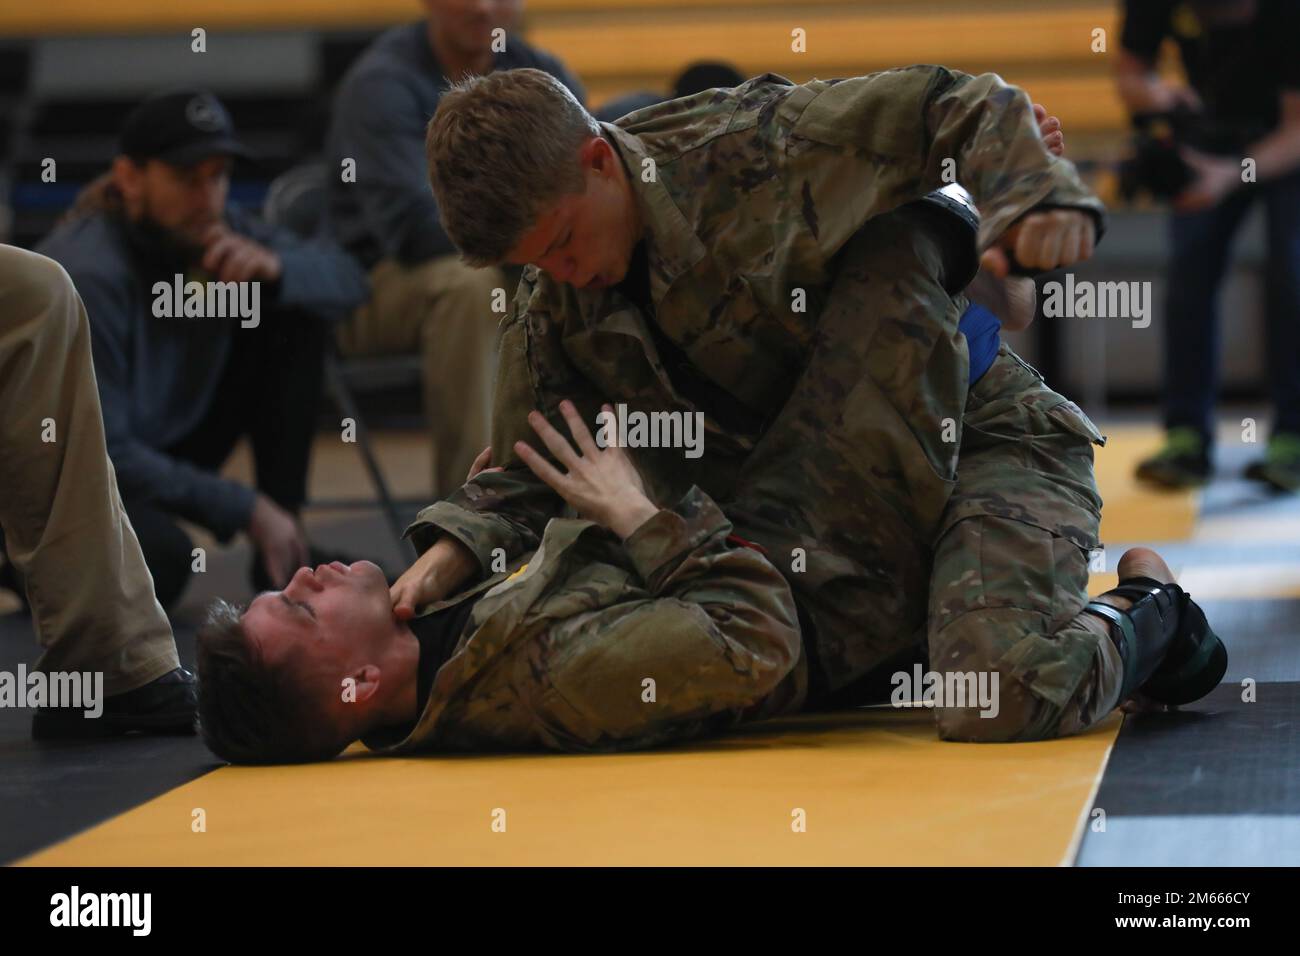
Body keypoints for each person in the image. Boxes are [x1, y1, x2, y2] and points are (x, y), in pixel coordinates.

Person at [379, 65, 1227, 745]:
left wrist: (1039, 196)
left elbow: (953, 105)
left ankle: (1150, 608)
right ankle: (944, 612)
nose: (562, 276)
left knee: (997, 697)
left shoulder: (752, 151)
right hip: (829, 515)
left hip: (984, 441)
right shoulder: (552, 298)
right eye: (537, 265)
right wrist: (458, 544)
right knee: (774, 663)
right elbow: (537, 455)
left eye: (564, 243)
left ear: (599, 159)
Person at [195, 403, 1220, 762]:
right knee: (1001, 692)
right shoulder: (552, 673)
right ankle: (1152, 607)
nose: (308, 572)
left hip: (839, 481)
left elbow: (530, 462)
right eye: (300, 605)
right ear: (356, 689)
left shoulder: (431, 605)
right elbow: (757, 633)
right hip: (892, 553)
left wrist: (469, 524)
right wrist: (636, 512)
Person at [34, 89, 370, 608]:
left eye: (218, 177)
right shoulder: (89, 273)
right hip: (71, 477)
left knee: (289, 300)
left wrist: (277, 272)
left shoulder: (217, 232)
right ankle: (19, 559)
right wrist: (247, 508)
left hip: (161, 437)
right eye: (188, 178)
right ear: (130, 179)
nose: (208, 197)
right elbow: (107, 453)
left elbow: (348, 280)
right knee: (159, 564)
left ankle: (284, 550)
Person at [324, 0, 585, 499]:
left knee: (585, 264)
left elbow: (585, 192)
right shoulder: (379, 85)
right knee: (470, 287)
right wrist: (535, 235)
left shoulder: (543, 73)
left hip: (502, 258)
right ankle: (473, 514)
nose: (484, 5)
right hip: (372, 282)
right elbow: (412, 229)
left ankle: (595, 492)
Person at [0, 245, 196, 739]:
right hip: (141, 474)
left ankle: (103, 660)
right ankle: (108, 659)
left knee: (32, 292)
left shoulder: (221, 250)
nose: (210, 193)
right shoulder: (100, 262)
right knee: (33, 294)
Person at [1116, 0, 1300, 491]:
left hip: (1287, 139)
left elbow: (1296, 129)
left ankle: (1293, 441)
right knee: (1187, 278)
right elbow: (1130, 73)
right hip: (1210, 135)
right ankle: (1187, 437)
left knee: (1293, 274)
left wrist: (1230, 175)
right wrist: (1154, 95)